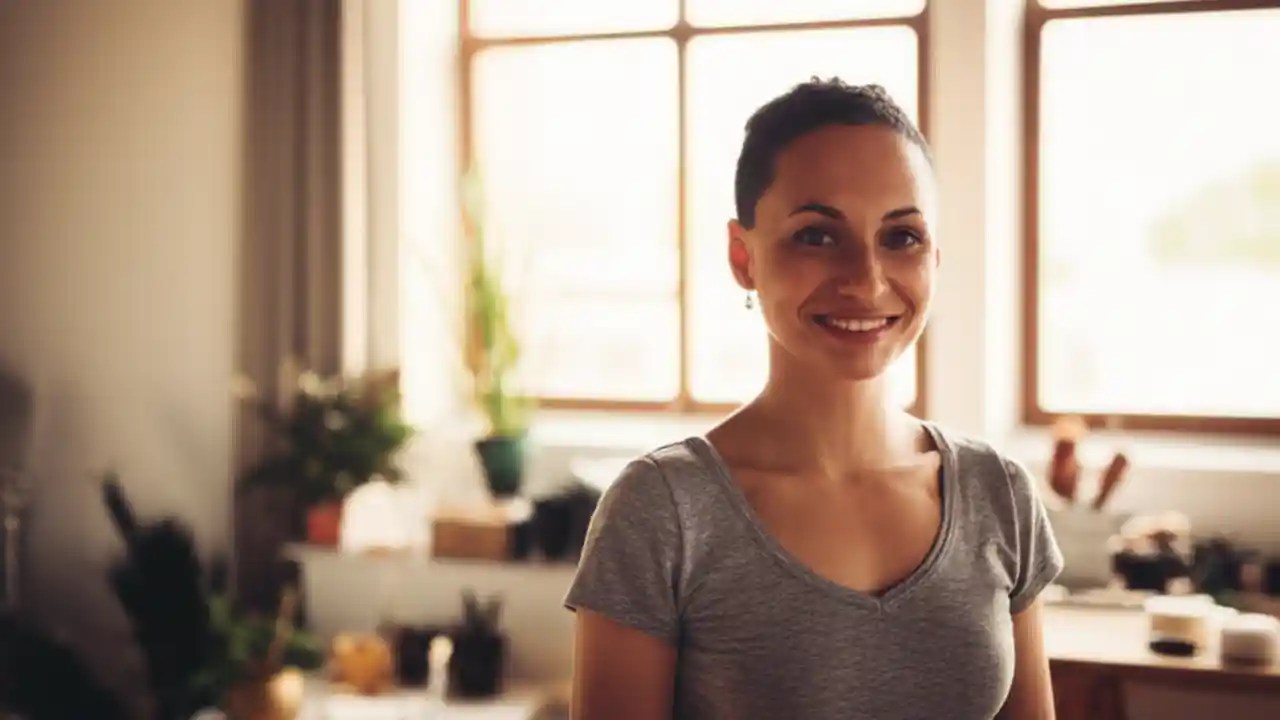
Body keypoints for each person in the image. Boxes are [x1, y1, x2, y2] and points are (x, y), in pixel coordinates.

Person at [565, 79, 1063, 720]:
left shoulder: (1000, 496)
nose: (866, 279)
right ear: (743, 258)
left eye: (901, 237)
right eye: (816, 236)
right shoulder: (663, 511)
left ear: (936, 256)